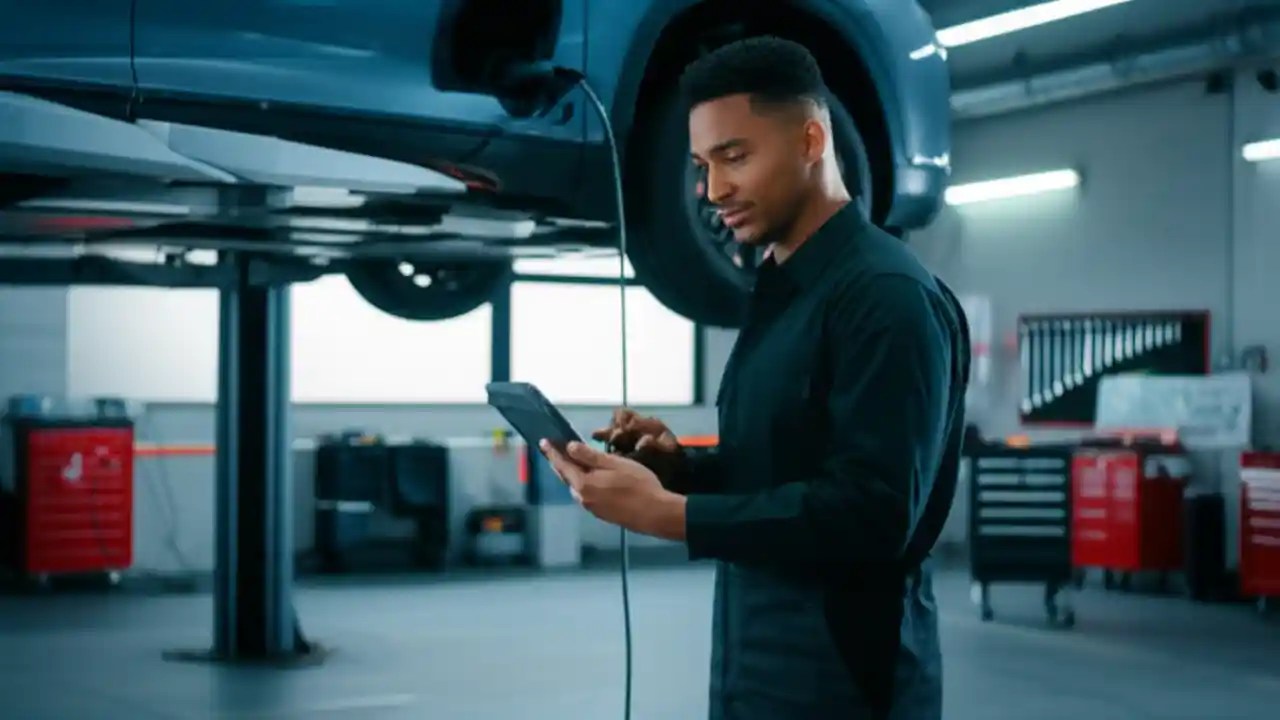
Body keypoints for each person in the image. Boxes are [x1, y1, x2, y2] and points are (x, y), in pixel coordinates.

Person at [539, 36, 970, 720]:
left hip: (846, 683)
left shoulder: (886, 296)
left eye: (735, 157)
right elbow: (786, 469)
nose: (713, 191)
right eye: (703, 165)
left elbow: (871, 515)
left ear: (809, 139)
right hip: (757, 669)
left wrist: (670, 515)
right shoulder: (784, 290)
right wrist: (680, 469)